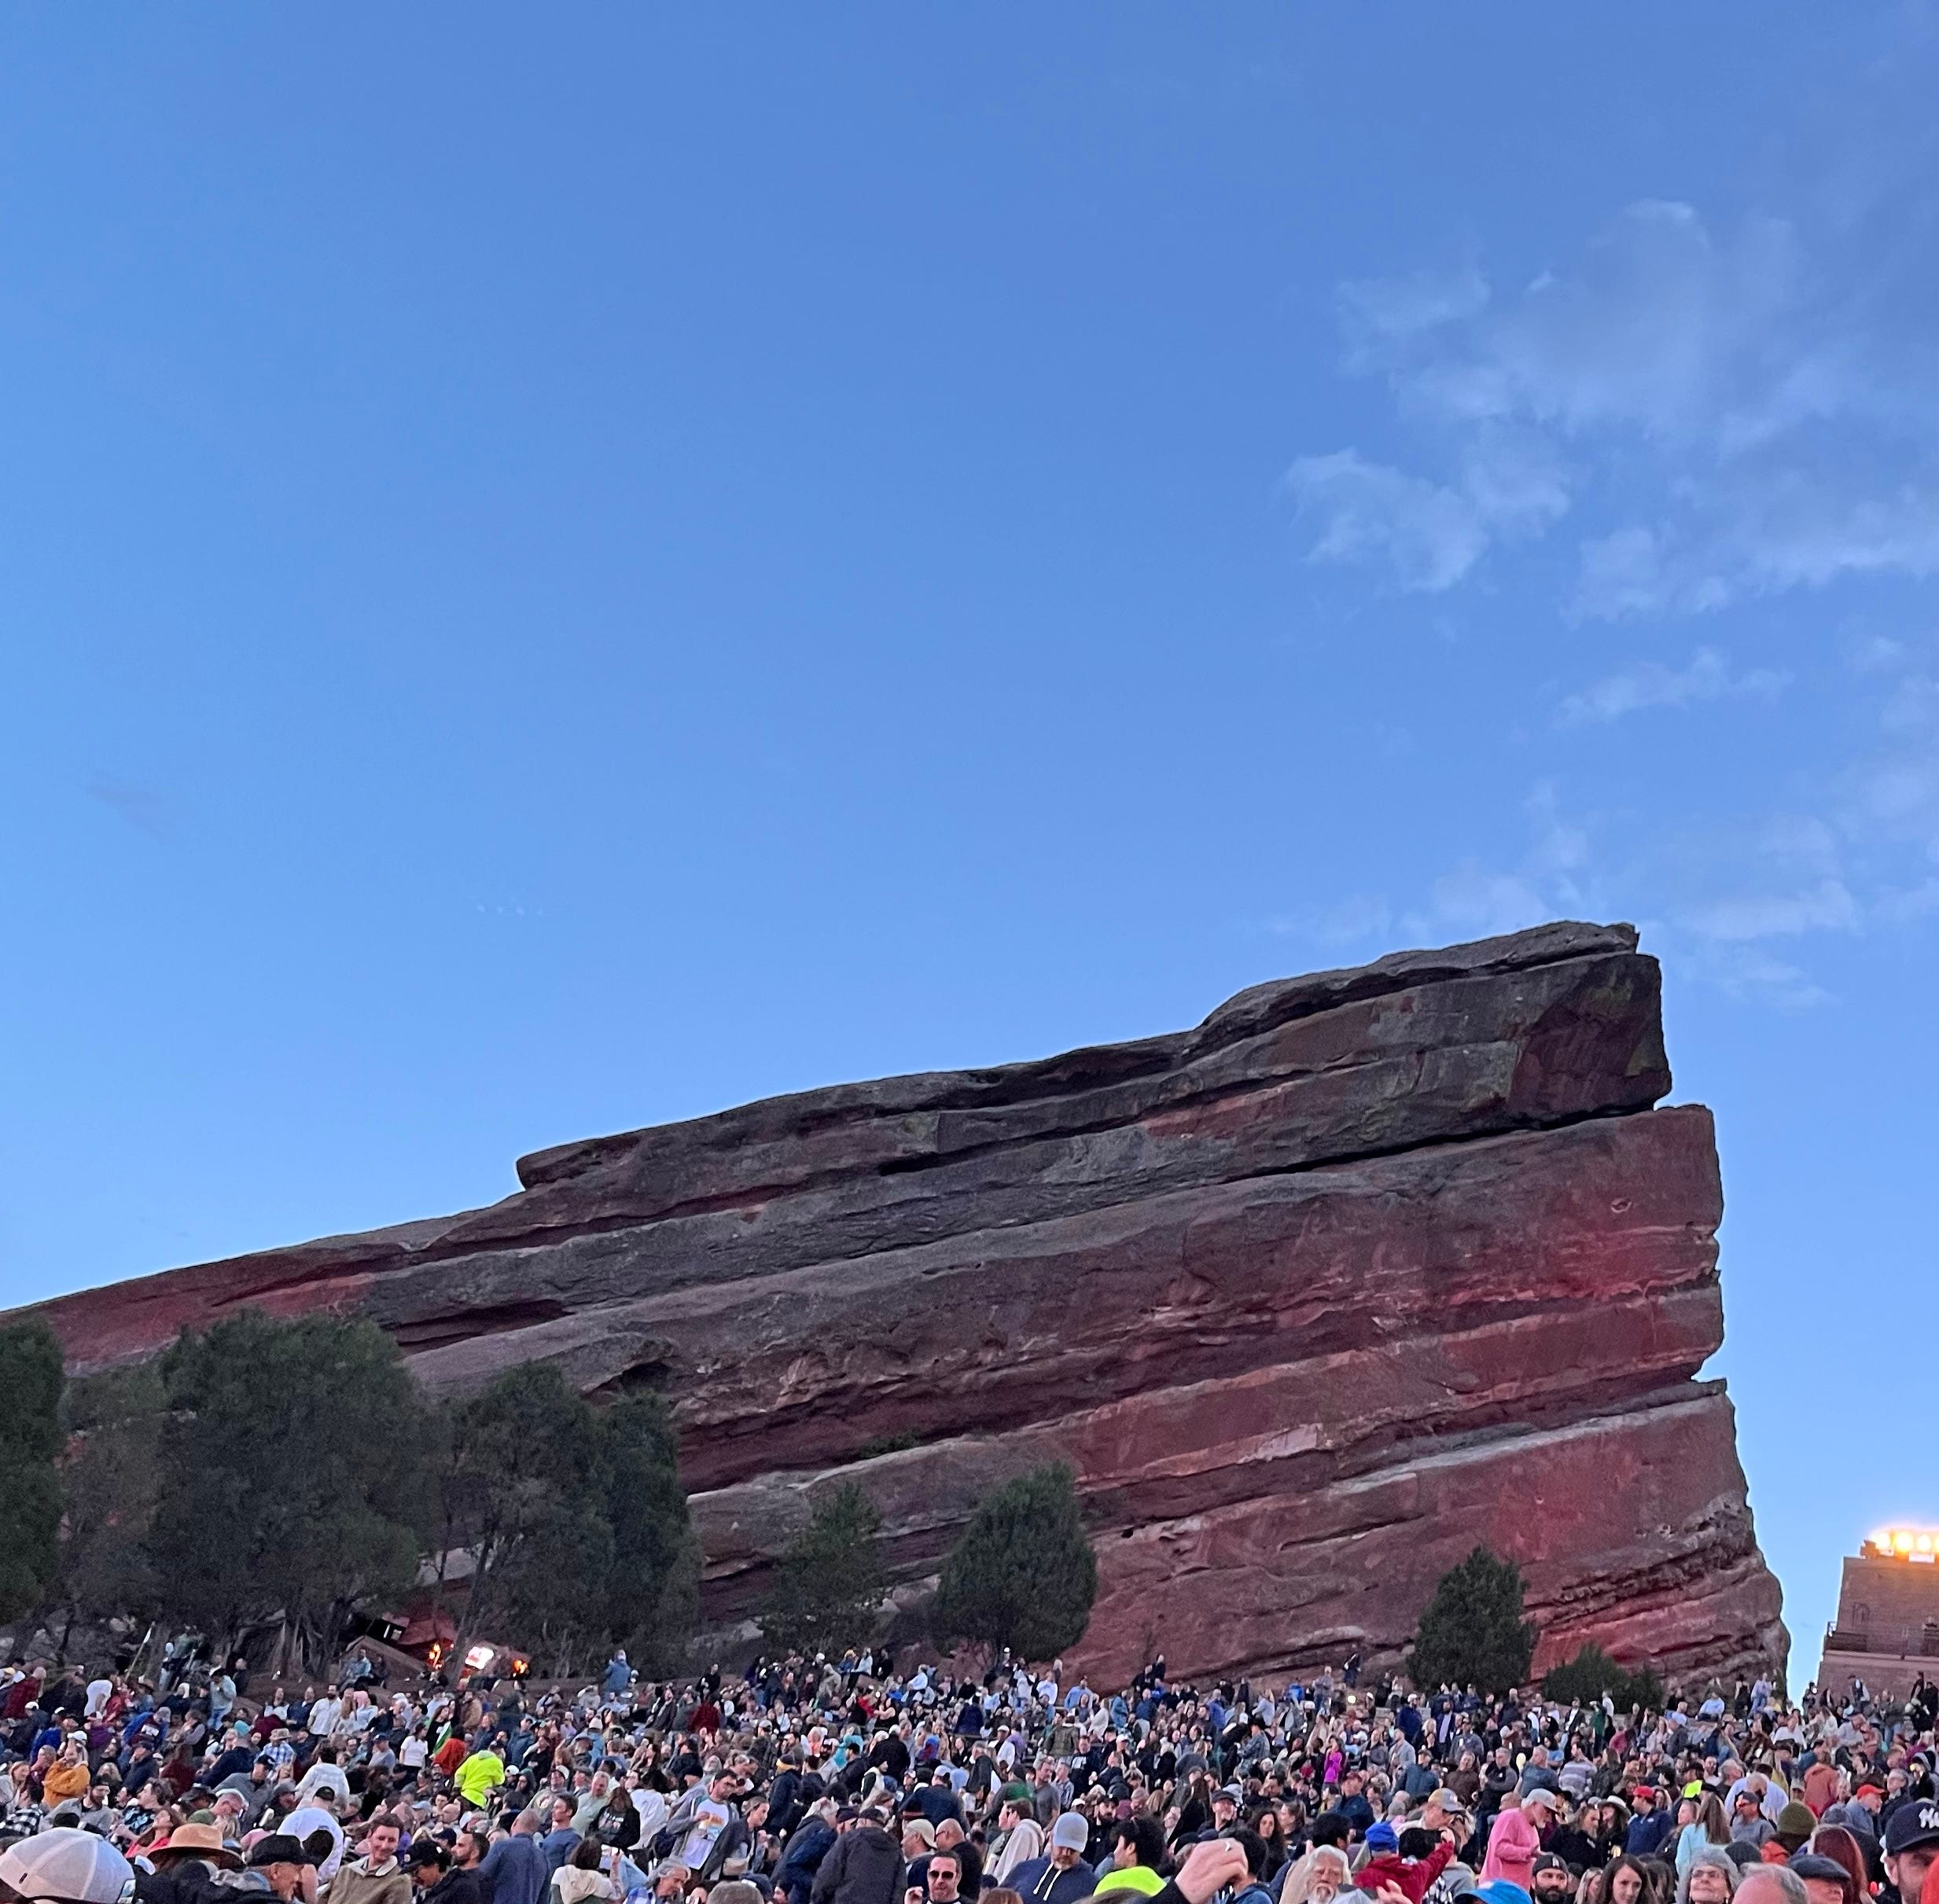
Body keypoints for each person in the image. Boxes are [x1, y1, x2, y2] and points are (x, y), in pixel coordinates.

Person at [1004, 1813, 1093, 1904]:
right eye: (1061, 1847)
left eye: (1073, 1850)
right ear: (1051, 1838)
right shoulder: (1025, 1869)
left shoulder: (1090, 1885)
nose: (1065, 1853)